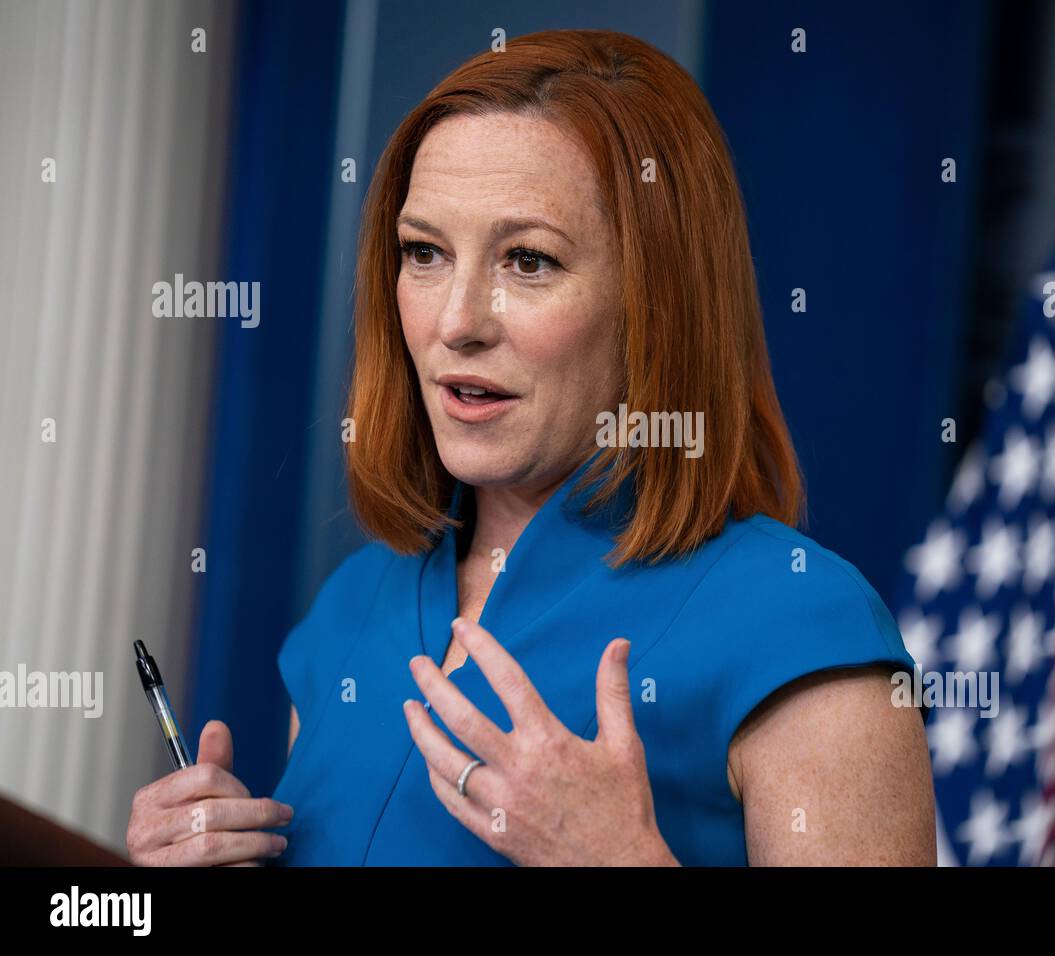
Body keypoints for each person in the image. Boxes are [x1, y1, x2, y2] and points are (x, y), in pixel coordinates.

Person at [126, 28, 935, 867]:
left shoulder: (804, 625)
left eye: (528, 260)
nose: (457, 322)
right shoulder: (352, 605)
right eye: (425, 253)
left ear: (658, 304)